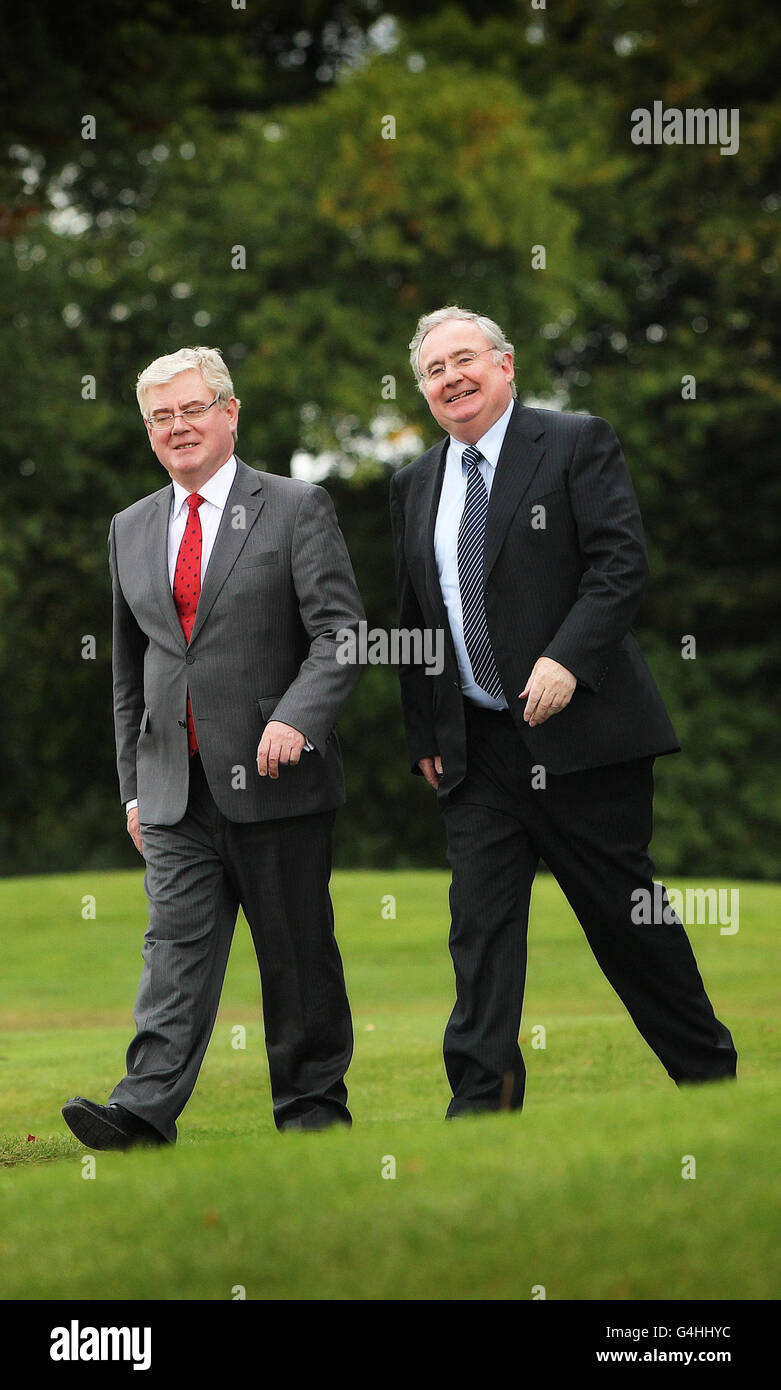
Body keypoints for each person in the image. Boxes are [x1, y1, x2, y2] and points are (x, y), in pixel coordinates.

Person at [389, 305, 737, 1117]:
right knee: (478, 929)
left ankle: (710, 1081)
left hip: (581, 740)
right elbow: (414, 617)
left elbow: (619, 563)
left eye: (463, 359)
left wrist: (565, 659)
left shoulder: (576, 443)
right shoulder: (412, 485)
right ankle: (481, 1110)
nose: (451, 378)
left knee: (626, 924)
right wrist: (425, 734)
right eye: (433, 371)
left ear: (505, 364)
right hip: (476, 753)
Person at [63, 346, 364, 1148]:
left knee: (296, 955)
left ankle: (311, 1113)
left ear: (229, 413)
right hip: (170, 787)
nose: (177, 427)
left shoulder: (297, 507)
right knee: (173, 952)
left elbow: (341, 634)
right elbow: (132, 673)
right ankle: (142, 1111)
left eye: (192, 409)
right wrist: (132, 785)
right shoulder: (130, 527)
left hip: (277, 774)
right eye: (160, 417)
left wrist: (299, 717)